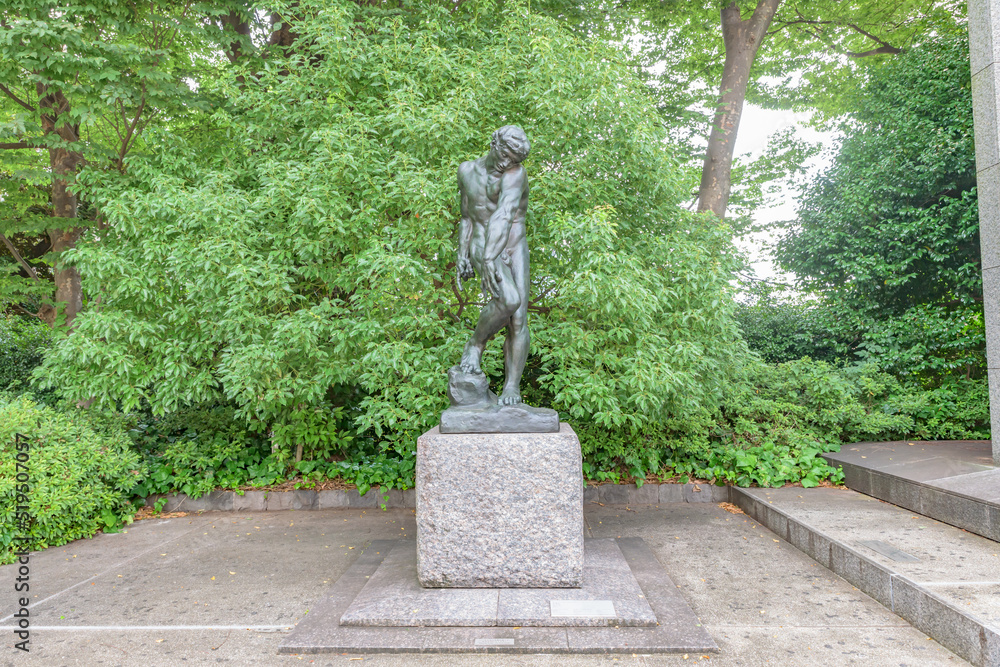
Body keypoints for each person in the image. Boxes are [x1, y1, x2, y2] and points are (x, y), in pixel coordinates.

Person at [455, 125, 531, 406]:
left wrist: (491, 257)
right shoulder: (466, 171)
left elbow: (505, 213)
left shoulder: (515, 174)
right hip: (482, 239)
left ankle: (512, 387)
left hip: (513, 241)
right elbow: (466, 216)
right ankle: (475, 344)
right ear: (494, 142)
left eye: (514, 159)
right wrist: (463, 255)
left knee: (520, 318)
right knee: (509, 299)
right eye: (506, 154)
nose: (507, 163)